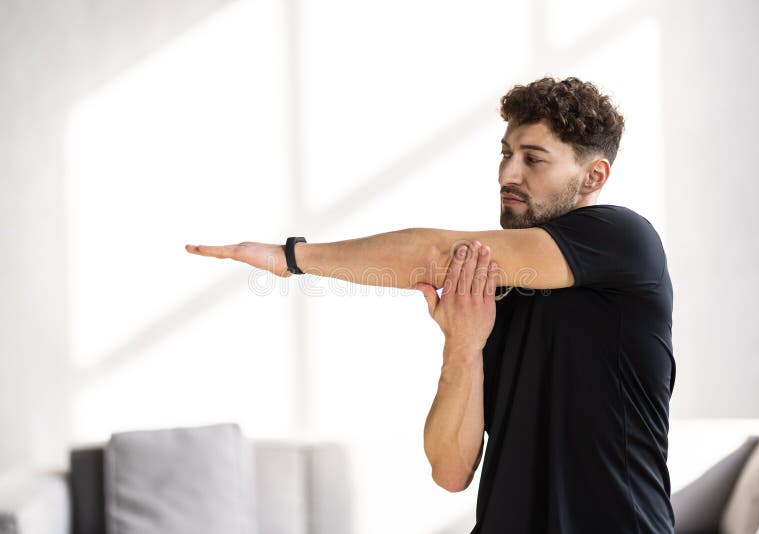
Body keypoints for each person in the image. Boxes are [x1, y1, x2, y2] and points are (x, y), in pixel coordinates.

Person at [185, 76, 676, 533]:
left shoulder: (625, 240)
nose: (508, 172)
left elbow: (437, 255)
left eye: (533, 158)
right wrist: (462, 346)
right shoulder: (496, 287)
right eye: (505, 154)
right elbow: (450, 469)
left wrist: (289, 257)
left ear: (593, 177)